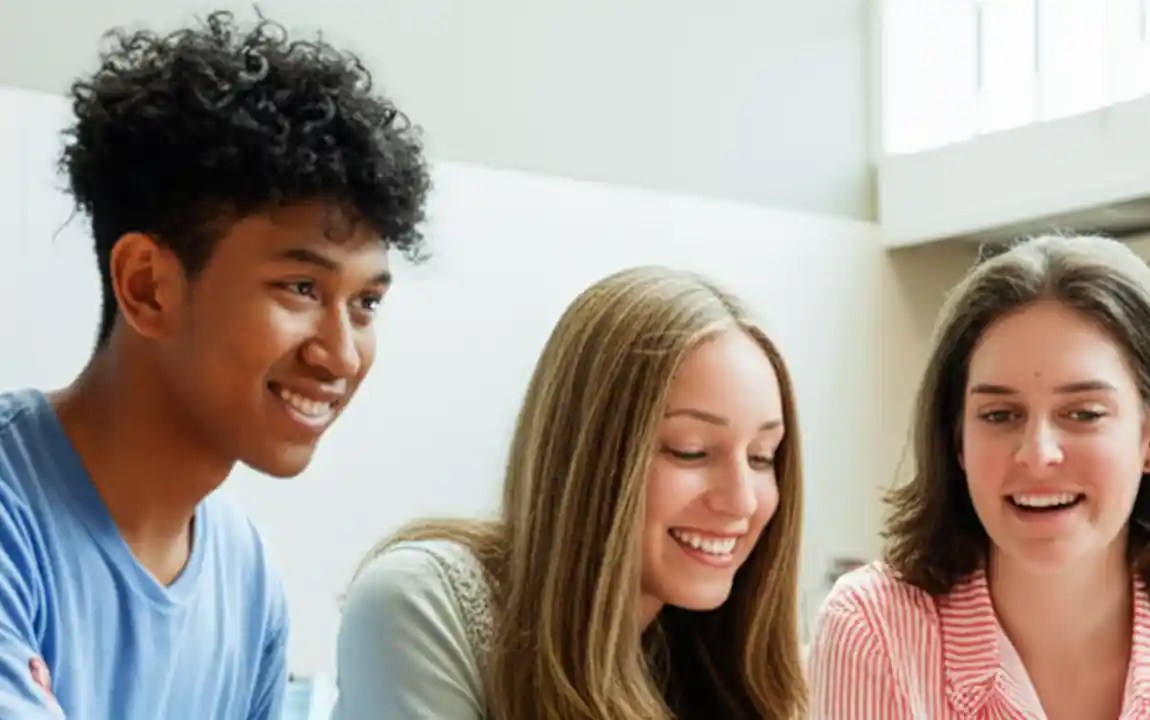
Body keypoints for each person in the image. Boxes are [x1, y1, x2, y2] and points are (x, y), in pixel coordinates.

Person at [0, 10, 430, 718]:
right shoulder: (17, 515)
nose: (341, 355)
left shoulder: (247, 582)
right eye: (301, 289)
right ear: (147, 285)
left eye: (365, 304)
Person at [332, 266, 809, 719]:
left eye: (763, 456)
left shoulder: (713, 662)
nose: (742, 500)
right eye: (690, 451)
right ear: (588, 452)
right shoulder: (423, 605)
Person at [808, 234, 1150, 719]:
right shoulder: (874, 630)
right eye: (998, 415)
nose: (1037, 455)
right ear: (957, 440)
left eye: (1083, 413)